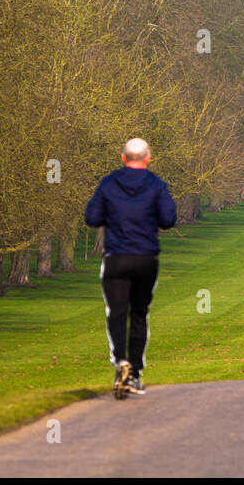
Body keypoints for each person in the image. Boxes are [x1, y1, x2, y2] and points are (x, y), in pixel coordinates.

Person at [84, 137, 177, 398]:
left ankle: (120, 361)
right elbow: (168, 220)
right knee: (139, 314)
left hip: (116, 257)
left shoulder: (109, 183)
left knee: (116, 312)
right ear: (147, 158)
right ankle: (135, 372)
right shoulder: (157, 185)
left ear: (124, 158)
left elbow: (92, 217)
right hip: (145, 258)